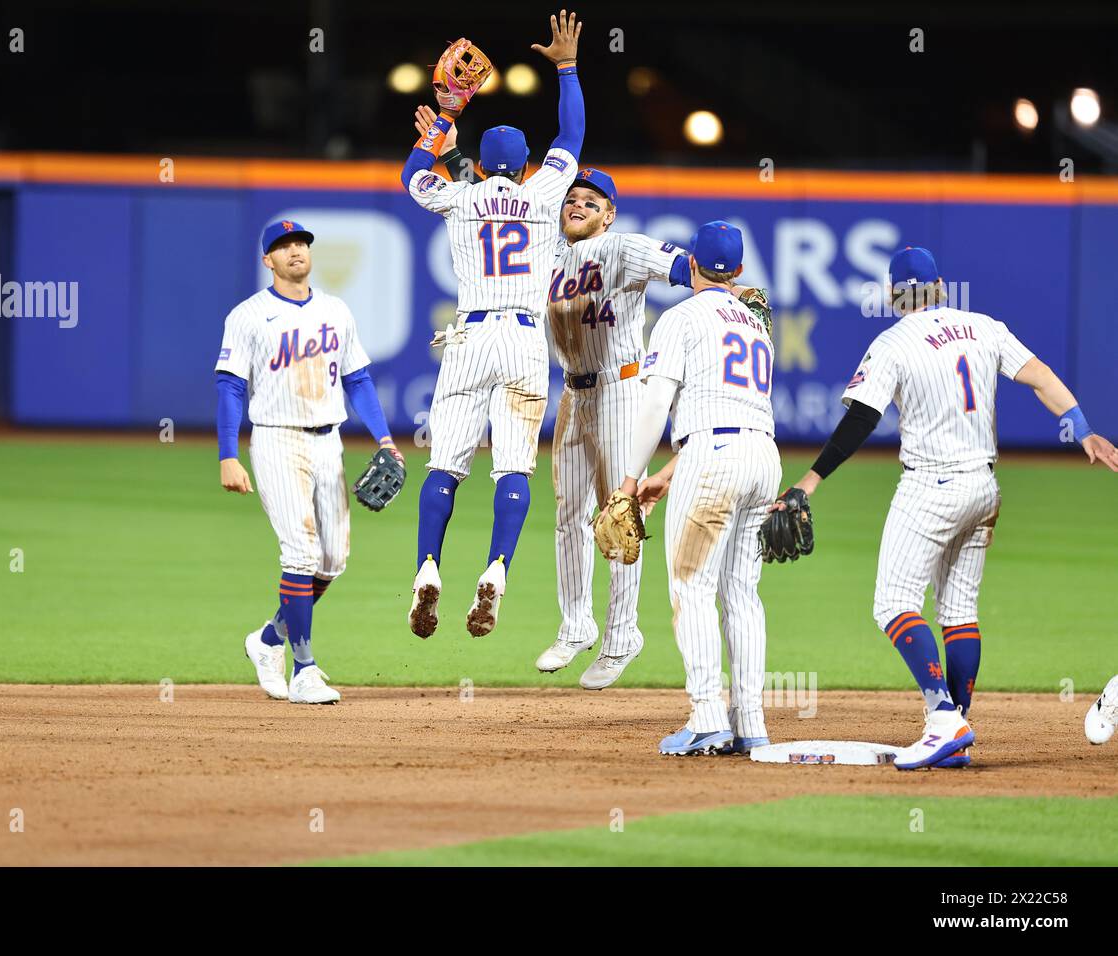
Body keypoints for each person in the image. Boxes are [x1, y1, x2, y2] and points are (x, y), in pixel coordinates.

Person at [779, 245, 1118, 769]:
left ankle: (943, 720)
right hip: (984, 489)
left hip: (931, 489)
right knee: (958, 613)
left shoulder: (893, 341)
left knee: (893, 604)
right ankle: (955, 724)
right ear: (940, 288)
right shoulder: (984, 326)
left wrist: (810, 479)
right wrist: (1083, 430)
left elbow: (861, 420)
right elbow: (1041, 376)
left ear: (895, 295)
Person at [398, 10, 584, 639]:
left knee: (445, 467)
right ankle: (497, 570)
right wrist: (566, 66)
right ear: (528, 162)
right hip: (526, 340)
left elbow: (412, 176)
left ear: (479, 161)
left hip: (470, 335)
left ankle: (428, 567)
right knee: (512, 470)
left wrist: (447, 112)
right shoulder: (543, 193)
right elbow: (574, 134)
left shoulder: (459, 195)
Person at [215, 219, 402, 704]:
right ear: (268, 261)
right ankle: (305, 669)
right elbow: (231, 386)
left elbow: (358, 380)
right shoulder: (249, 316)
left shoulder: (336, 311)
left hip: (328, 442)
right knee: (299, 554)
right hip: (277, 440)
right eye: (282, 245)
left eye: (300, 243)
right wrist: (228, 456)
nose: (295, 250)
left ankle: (268, 640)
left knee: (333, 561)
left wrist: (385, 440)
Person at [616, 221, 781, 755]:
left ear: (689, 265)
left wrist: (630, 479)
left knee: (692, 588)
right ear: (736, 271)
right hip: (763, 457)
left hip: (712, 457)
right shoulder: (756, 323)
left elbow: (657, 404)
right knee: (741, 593)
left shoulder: (680, 316)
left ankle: (709, 716)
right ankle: (750, 720)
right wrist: (668, 474)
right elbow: (728, 407)